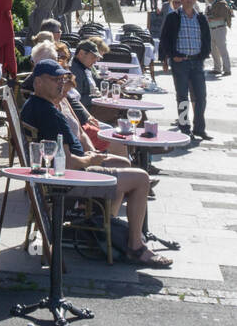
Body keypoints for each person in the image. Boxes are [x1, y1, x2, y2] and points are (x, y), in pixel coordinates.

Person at [20, 61, 172, 267]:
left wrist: (91, 154)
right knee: (141, 178)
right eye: (55, 79)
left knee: (123, 162)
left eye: (62, 79)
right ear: (38, 82)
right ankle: (135, 247)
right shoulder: (48, 113)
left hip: (62, 173)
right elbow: (69, 164)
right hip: (68, 180)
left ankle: (102, 229)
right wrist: (91, 159)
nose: (60, 84)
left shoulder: (35, 105)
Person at [158, 0, 211, 140]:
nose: (189, 0)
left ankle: (200, 129)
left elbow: (206, 38)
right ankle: (184, 127)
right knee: (182, 96)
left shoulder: (200, 17)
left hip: (196, 62)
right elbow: (165, 38)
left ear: (196, 0)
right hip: (180, 63)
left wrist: (204, 54)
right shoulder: (173, 17)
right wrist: (171, 56)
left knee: (201, 96)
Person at [205, 0, 232, 76]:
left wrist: (212, 19)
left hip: (219, 29)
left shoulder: (221, 3)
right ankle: (217, 68)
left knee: (222, 50)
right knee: (213, 51)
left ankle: (227, 69)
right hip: (211, 29)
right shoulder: (209, 5)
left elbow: (224, 17)